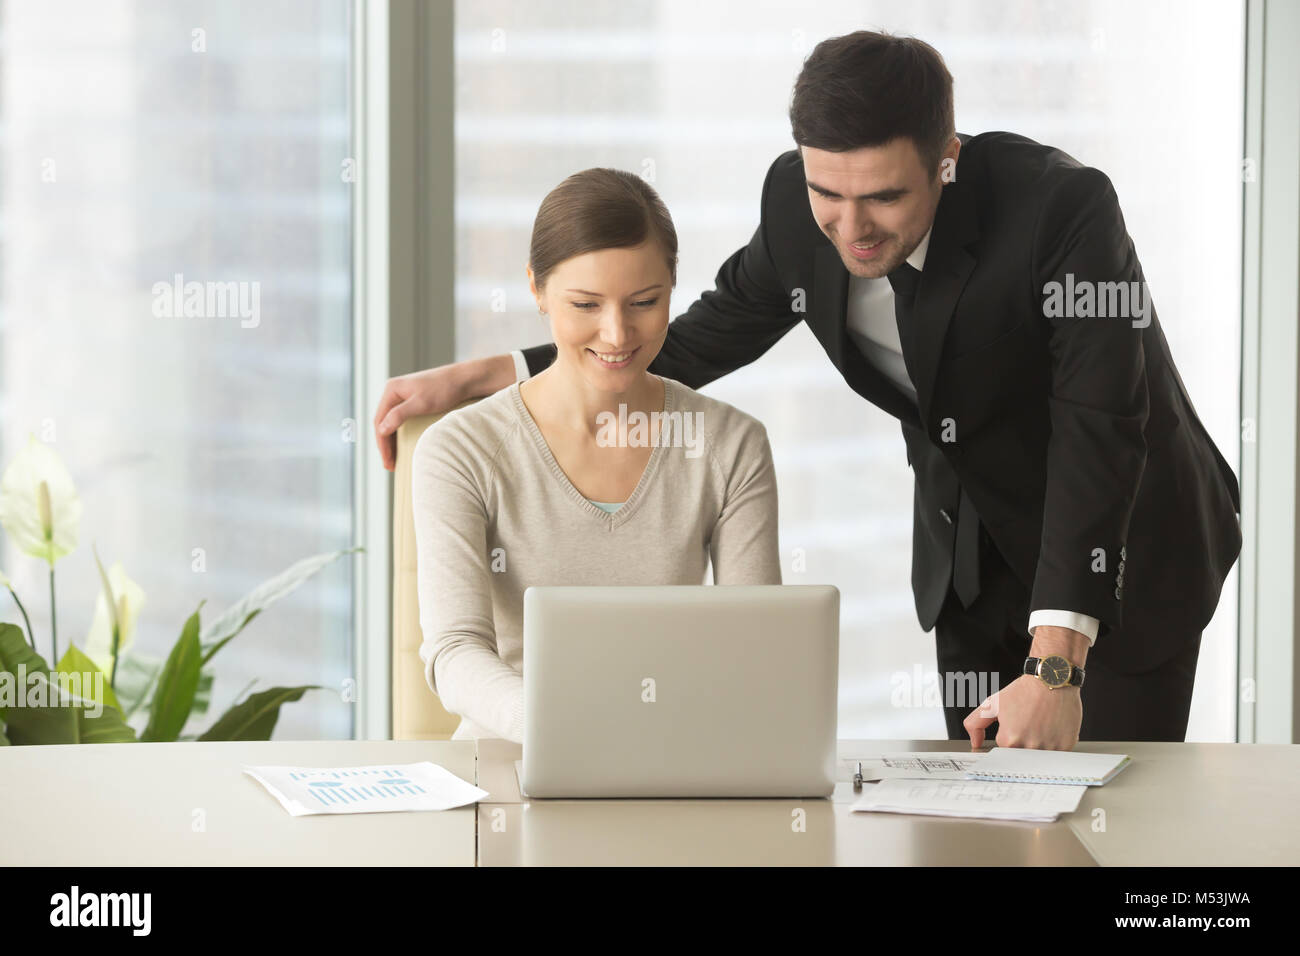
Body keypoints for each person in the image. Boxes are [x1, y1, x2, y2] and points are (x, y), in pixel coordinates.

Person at [384, 31, 1242, 750]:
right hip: (975, 564)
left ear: (946, 159)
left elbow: (1100, 427)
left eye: (883, 198)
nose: (851, 228)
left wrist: (1056, 664)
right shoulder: (800, 214)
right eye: (826, 192)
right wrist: (504, 372)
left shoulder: (1062, 210)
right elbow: (694, 336)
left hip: (1122, 554)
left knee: (1108, 829)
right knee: (987, 822)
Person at [411, 167, 781, 743]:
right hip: (516, 763)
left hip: (673, 760)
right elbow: (454, 651)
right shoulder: (460, 450)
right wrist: (557, 725)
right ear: (536, 289)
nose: (616, 334)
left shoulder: (732, 446)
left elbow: (756, 649)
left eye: (644, 301)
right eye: (585, 304)